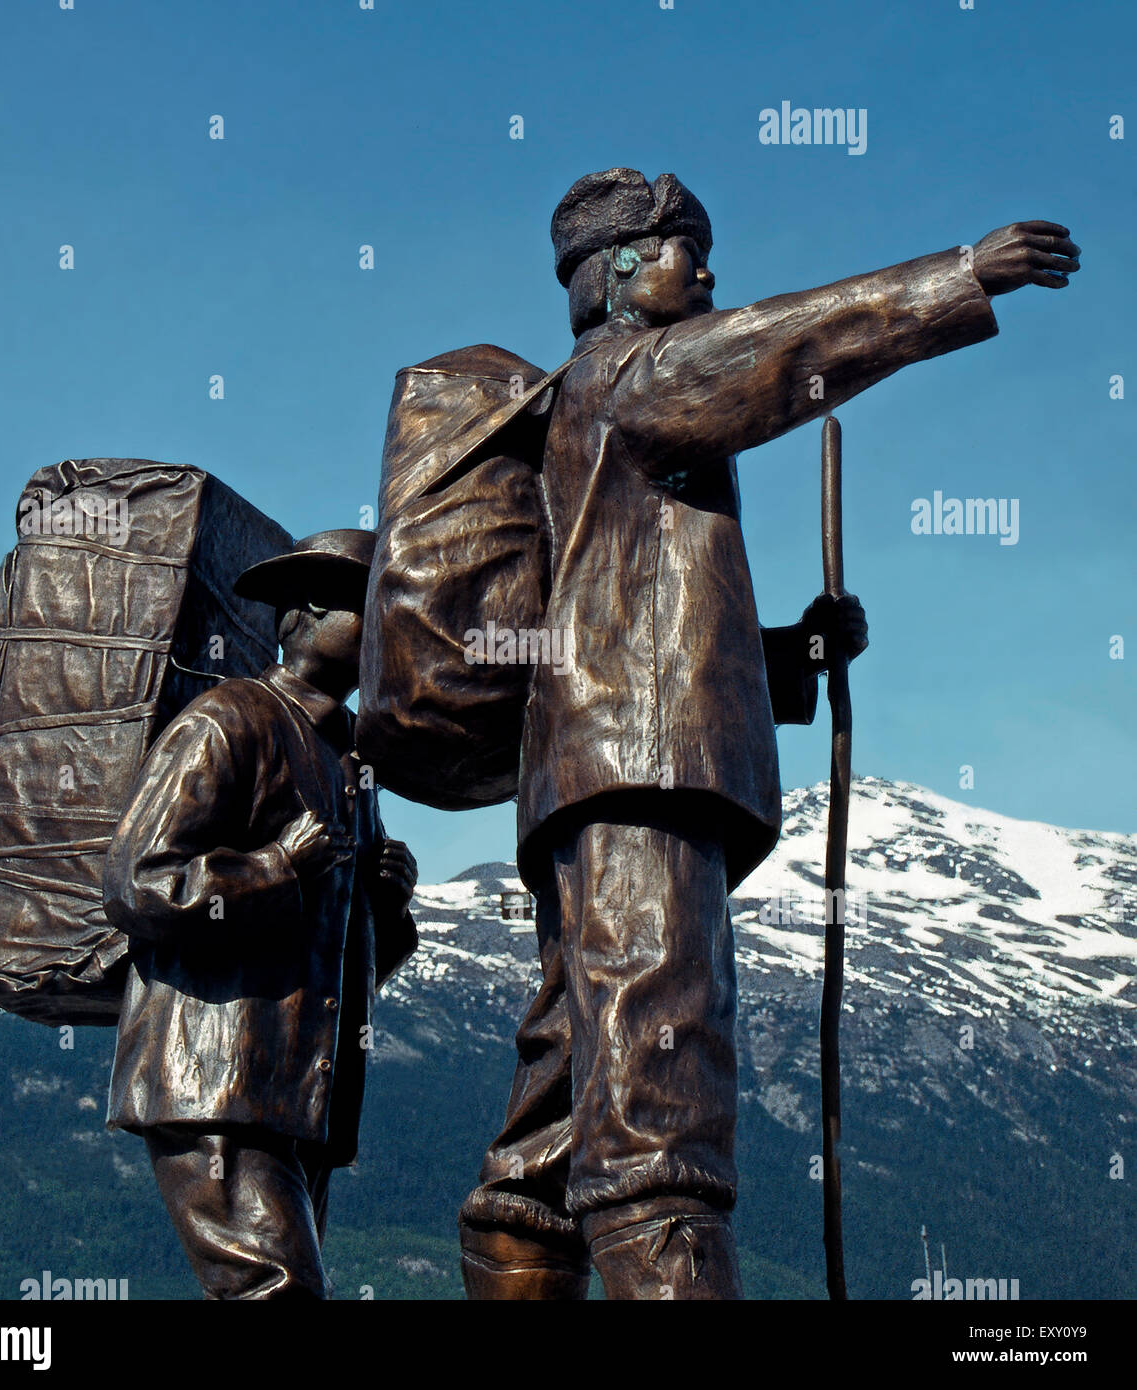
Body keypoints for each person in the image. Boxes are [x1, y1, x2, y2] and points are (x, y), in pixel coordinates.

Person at [458, 168, 1079, 1299]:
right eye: (686, 251)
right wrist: (955, 278)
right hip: (643, 778)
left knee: (560, 1099)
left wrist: (788, 653)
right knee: (659, 1089)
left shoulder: (596, 414)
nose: (706, 274)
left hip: (594, 775)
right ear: (621, 272)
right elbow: (783, 351)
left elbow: (628, 610)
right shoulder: (630, 375)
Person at [104, 528, 418, 1300]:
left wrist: (385, 904)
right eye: (372, 610)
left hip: (294, 1100)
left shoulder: (348, 764)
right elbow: (137, 880)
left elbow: (344, 961)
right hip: (216, 1078)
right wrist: (274, 867)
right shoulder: (228, 720)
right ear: (309, 610)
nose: (390, 634)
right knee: (277, 1294)